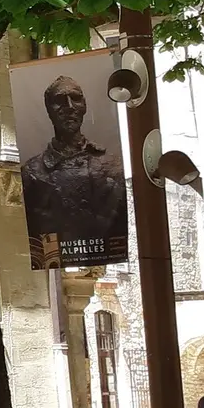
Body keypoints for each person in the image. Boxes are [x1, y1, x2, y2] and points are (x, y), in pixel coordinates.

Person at [21, 75, 129, 266]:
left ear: (85, 106)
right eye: (59, 101)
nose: (69, 106)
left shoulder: (113, 164)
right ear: (49, 110)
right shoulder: (31, 173)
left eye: (76, 98)